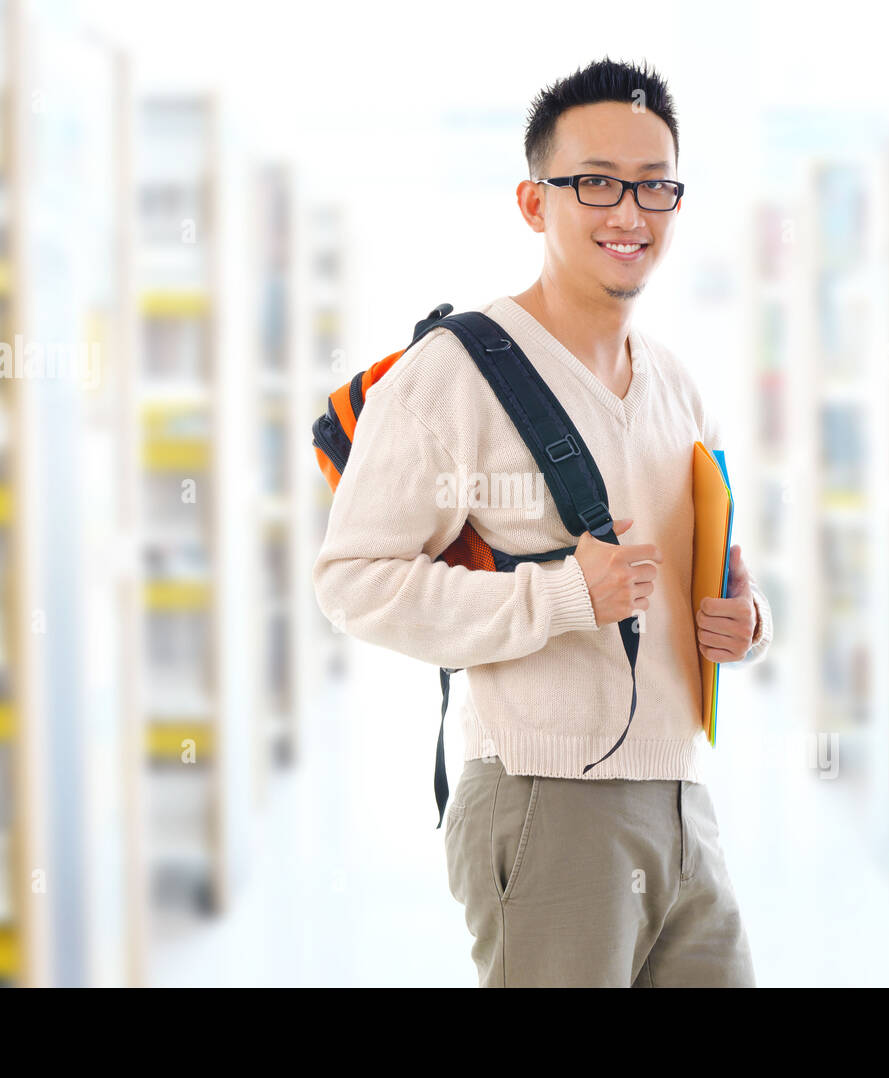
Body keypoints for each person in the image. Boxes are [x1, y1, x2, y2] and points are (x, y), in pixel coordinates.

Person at [313, 55, 773, 987]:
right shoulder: (454, 375)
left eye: (656, 187)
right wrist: (561, 597)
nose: (630, 213)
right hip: (544, 798)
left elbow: (712, 572)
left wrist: (746, 622)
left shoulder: (678, 385)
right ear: (535, 203)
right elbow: (352, 582)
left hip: (685, 800)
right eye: (596, 183)